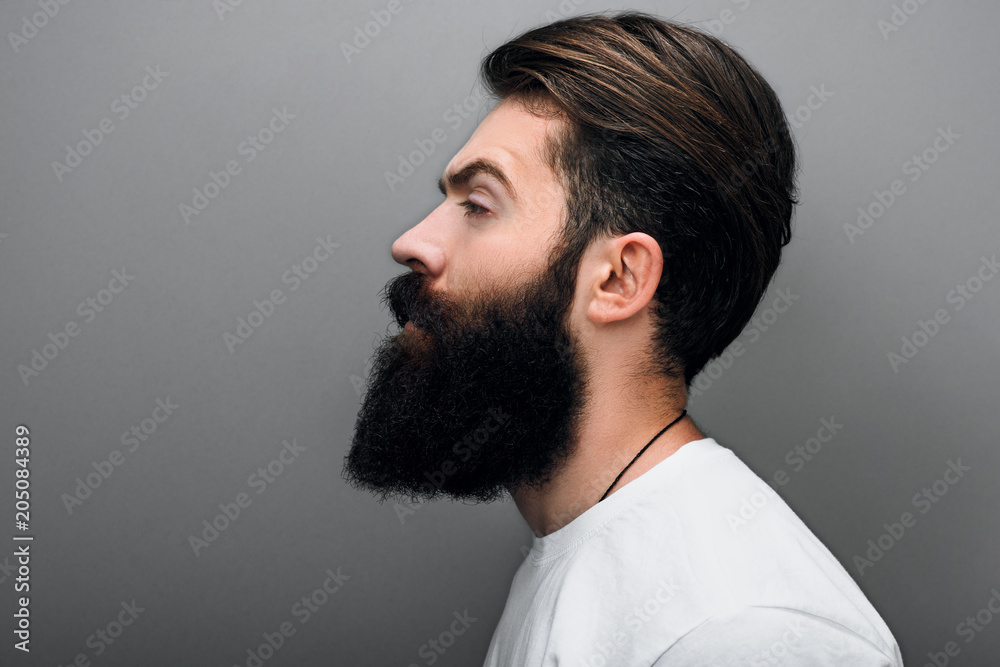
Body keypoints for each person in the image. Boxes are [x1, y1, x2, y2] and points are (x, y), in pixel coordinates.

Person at [343, 11, 903, 665]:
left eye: (479, 205)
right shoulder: (582, 549)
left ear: (618, 278)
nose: (411, 242)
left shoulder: (744, 632)